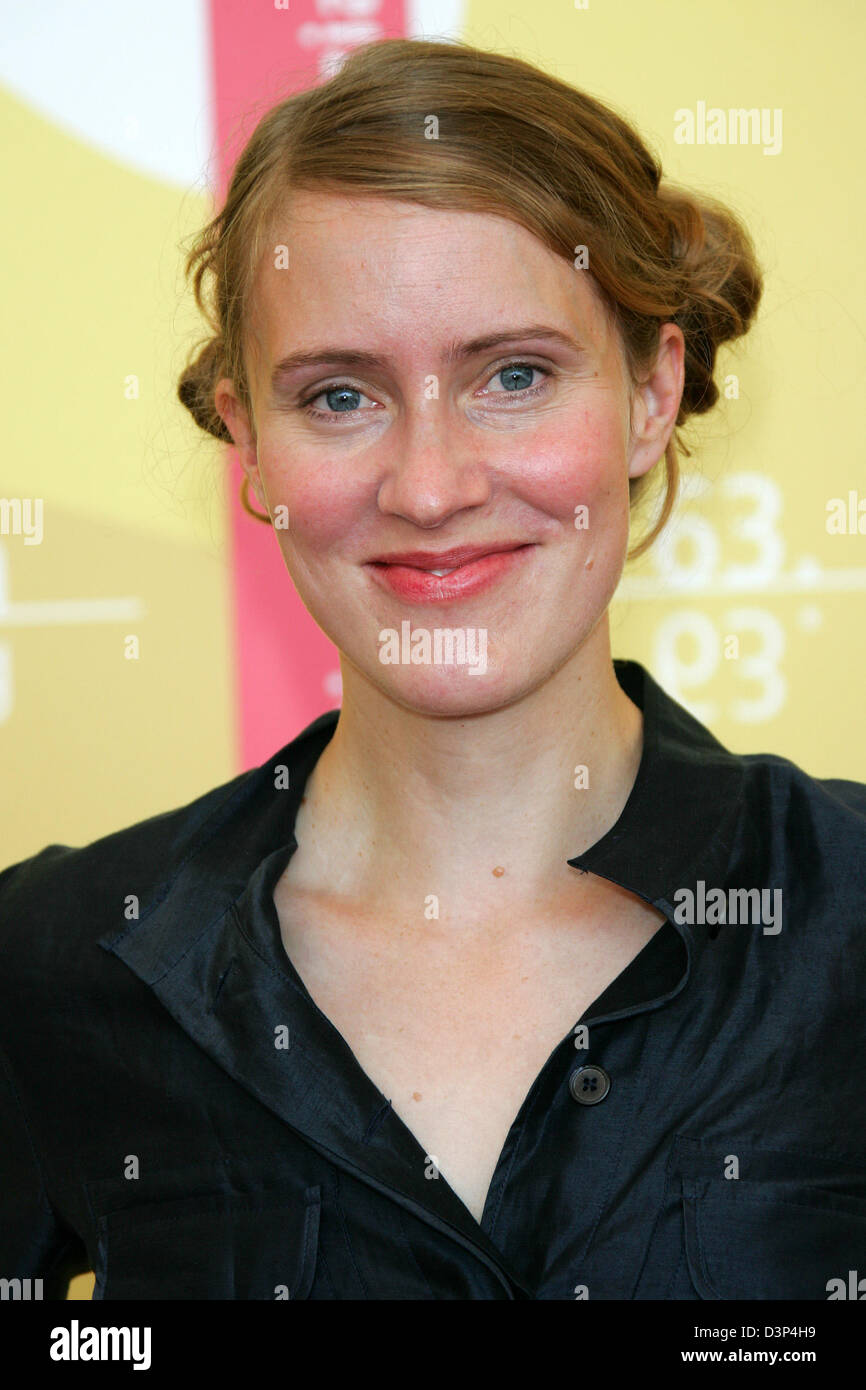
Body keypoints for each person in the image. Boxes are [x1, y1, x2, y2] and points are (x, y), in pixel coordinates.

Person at [1, 36, 864, 1303]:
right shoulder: (59, 966)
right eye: (340, 396)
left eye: (512, 375)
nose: (430, 485)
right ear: (247, 435)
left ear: (649, 389)